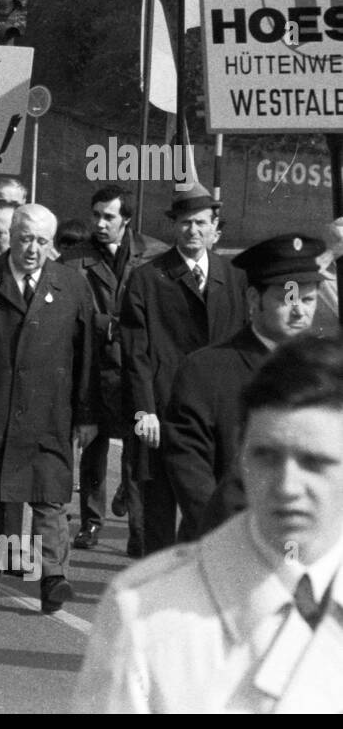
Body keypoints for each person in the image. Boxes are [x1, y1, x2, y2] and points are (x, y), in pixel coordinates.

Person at [74, 335, 343, 713]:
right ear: (241, 452)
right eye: (266, 456)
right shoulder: (146, 609)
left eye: (315, 462)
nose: (287, 486)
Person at [0, 204, 98, 612]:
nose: (32, 249)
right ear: (11, 235)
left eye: (43, 241)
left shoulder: (71, 286)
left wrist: (86, 414)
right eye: (25, 238)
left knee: (50, 499)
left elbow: (87, 356)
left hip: (48, 414)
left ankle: (53, 577)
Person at [165, 234, 326, 536]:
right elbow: (190, 471)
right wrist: (235, 538)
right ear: (254, 299)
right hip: (228, 544)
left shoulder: (327, 371)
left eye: (308, 299)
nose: (299, 311)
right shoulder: (205, 370)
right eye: (286, 299)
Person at [120, 183, 247, 553]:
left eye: (201, 223)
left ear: (214, 227)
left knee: (213, 506)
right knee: (158, 508)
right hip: (165, 411)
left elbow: (241, 344)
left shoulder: (234, 277)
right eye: (186, 223)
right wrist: (145, 409)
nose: (194, 231)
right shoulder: (147, 278)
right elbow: (135, 351)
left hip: (218, 413)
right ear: (174, 226)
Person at [59, 184, 168, 555]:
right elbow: (69, 311)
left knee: (139, 454)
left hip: (139, 368)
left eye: (109, 217)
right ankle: (91, 521)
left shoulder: (154, 256)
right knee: (93, 448)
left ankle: (137, 529)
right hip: (93, 367)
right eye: (96, 216)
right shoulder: (75, 259)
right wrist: (105, 324)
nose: (100, 224)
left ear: (127, 220)